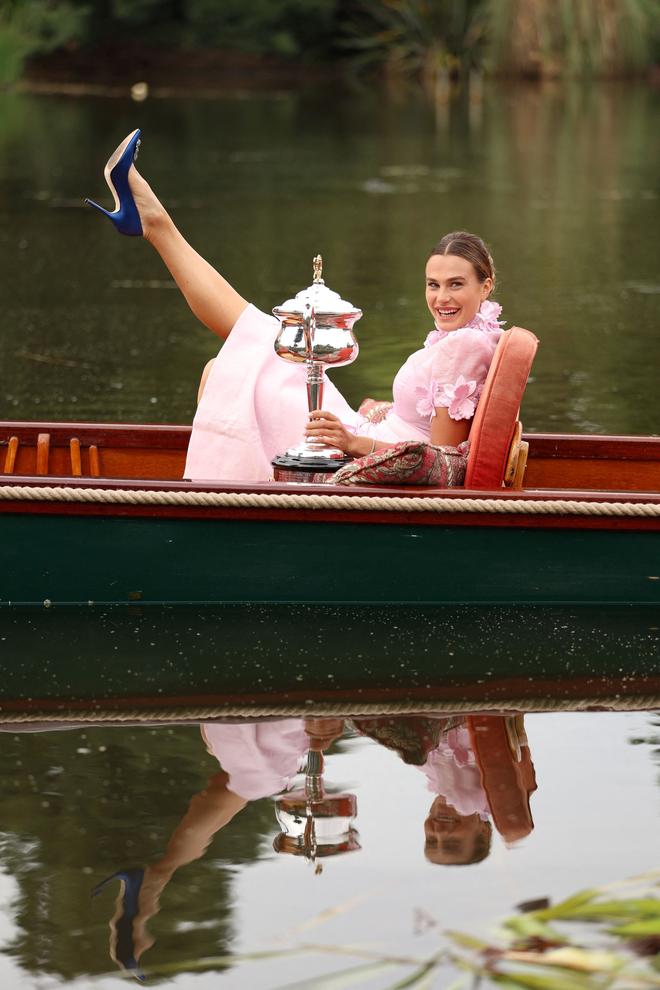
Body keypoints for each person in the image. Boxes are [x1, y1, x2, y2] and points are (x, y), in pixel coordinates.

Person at [86, 129, 505, 482]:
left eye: (456, 285)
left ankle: (154, 223)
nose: (441, 298)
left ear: (485, 287)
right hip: (363, 436)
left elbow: (440, 462)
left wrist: (354, 441)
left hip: (358, 454)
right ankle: (153, 222)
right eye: (433, 285)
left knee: (244, 346)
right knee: (249, 347)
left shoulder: (463, 348)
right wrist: (377, 416)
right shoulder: (471, 336)